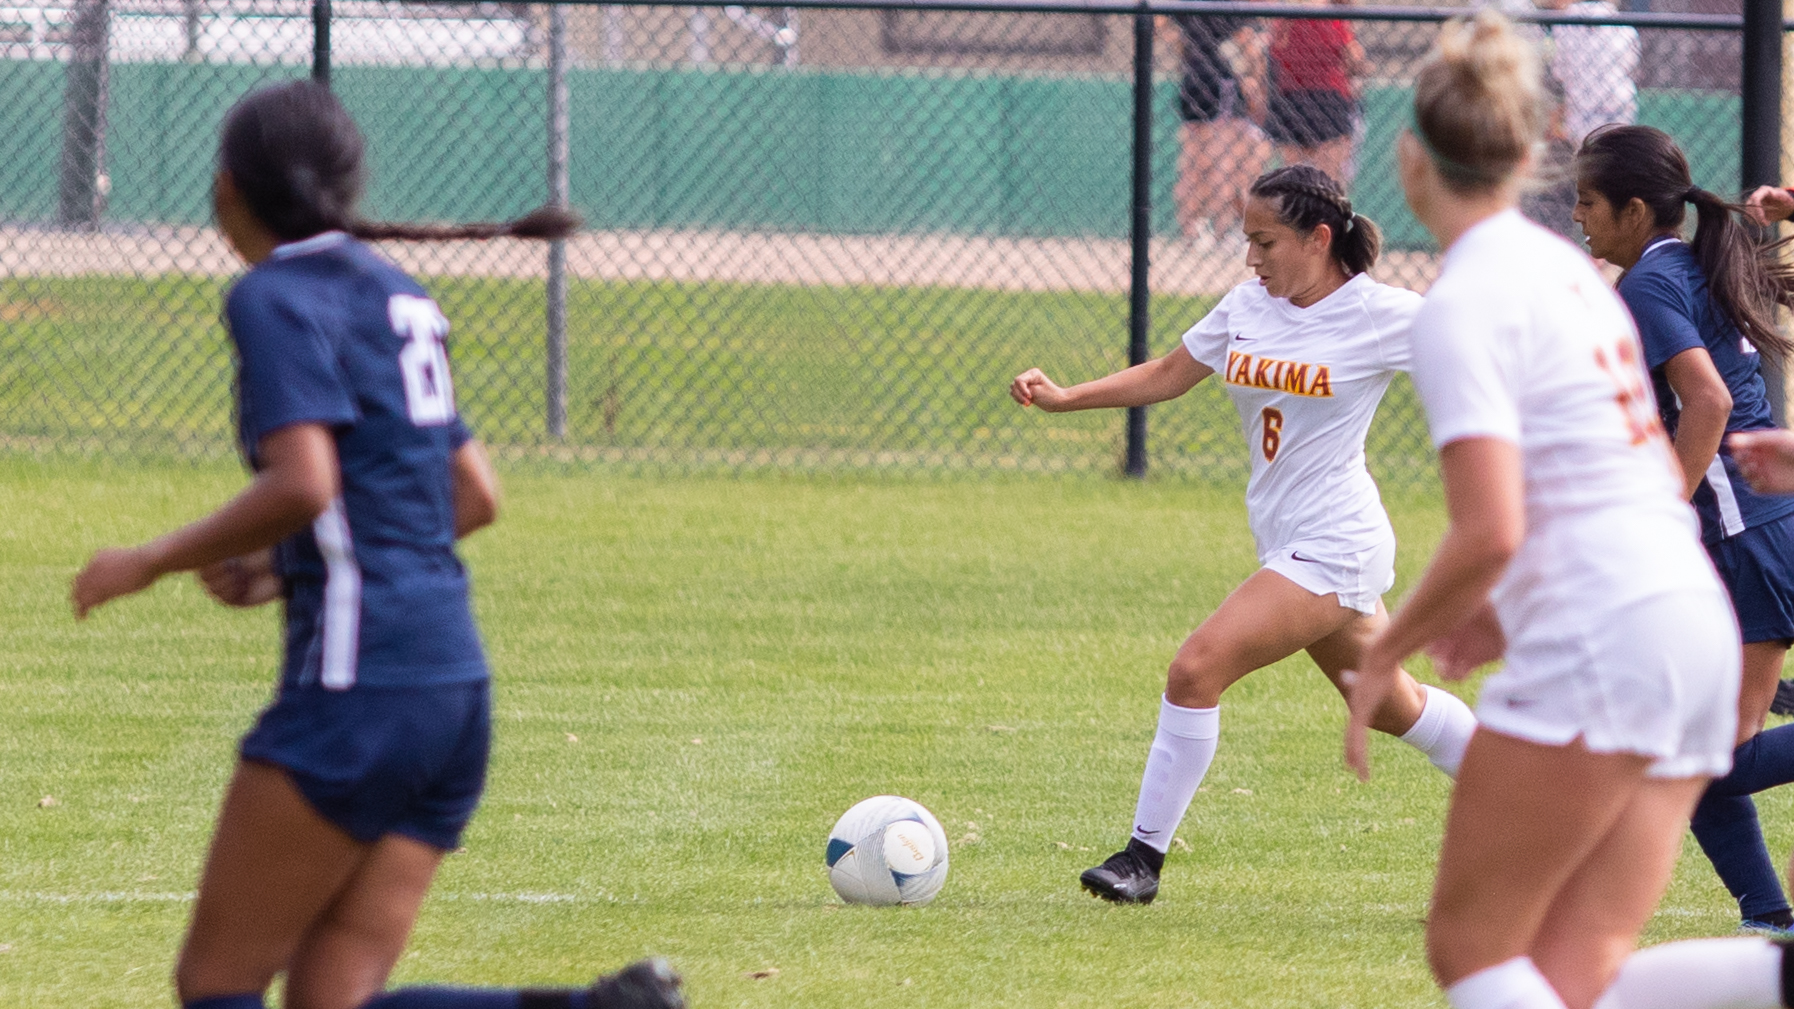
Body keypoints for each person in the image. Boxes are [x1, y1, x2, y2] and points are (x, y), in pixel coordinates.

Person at [68, 80, 685, 1009]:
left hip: (361, 687)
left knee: (218, 980)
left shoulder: (272, 295)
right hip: (451, 689)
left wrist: (149, 560)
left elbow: (305, 482)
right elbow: (472, 494)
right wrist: (285, 565)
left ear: (227, 188)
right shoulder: (400, 294)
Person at [1342, 13, 1794, 1009]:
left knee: (1472, 948)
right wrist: (1508, 608)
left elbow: (1490, 528)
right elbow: (1604, 471)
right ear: (1527, 157)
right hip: (1686, 610)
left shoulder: (1467, 301)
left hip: (1608, 628)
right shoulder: (1574, 280)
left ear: (1411, 160)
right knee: (1576, 965)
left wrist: (1387, 651)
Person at [1009, 163, 1477, 906]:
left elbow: (1480, 354)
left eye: (1265, 242)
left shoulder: (1382, 314)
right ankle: (1529, 787)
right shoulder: (1246, 306)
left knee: (1196, 668)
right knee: (1394, 707)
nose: (1251, 258)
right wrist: (1067, 399)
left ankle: (1141, 859)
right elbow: (1169, 373)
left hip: (1337, 543)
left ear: (1318, 239)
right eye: (1247, 241)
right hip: (1285, 540)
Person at [1572, 123, 1794, 935]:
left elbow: (1709, 400)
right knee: (1683, 744)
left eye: (1588, 201)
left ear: (1635, 209)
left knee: (1700, 758)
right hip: (1754, 531)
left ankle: (1768, 914)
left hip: (1743, 539)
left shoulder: (1650, 284)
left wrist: (1659, 517)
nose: (1576, 215)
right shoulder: (1685, 264)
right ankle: (1768, 916)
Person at [1165, 11, 1272, 243]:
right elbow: (1246, 44)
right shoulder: (1231, 8)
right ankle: (1221, 230)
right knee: (1221, 162)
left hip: (1191, 79)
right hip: (1219, 80)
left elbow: (1170, 32)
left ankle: (1191, 229)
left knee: (1191, 162)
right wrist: (1253, 76)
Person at [1264, 0, 1368, 186]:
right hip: (1327, 96)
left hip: (1291, 95)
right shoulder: (1332, 17)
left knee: (1295, 177)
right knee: (1329, 180)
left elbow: (1275, 51)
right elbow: (1352, 58)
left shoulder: (1285, 15)